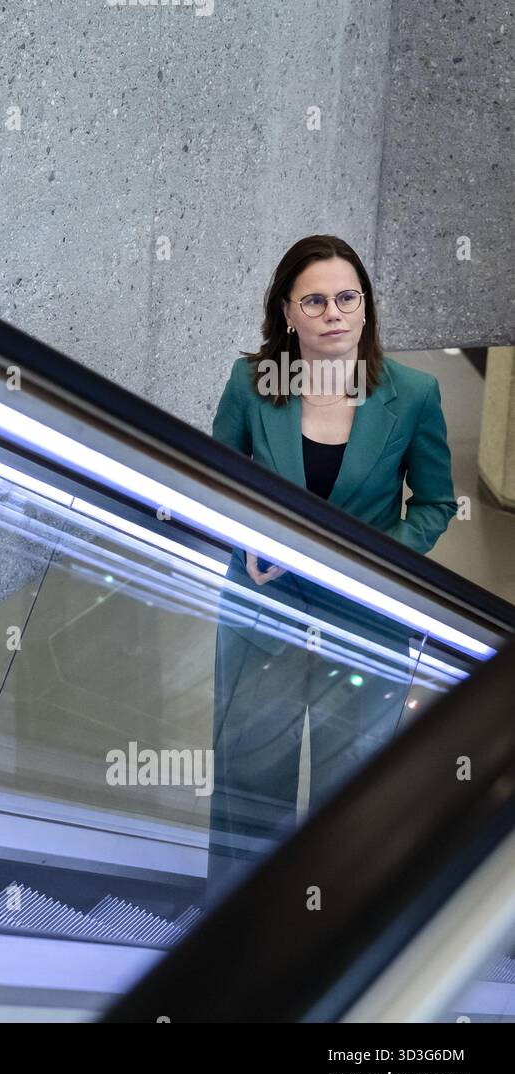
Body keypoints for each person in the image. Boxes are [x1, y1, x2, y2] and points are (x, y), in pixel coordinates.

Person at [206, 233, 458, 900]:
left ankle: (334, 929)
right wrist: (244, 544)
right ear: (286, 312)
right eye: (314, 300)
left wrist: (379, 559)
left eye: (348, 297)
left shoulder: (414, 393)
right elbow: (211, 485)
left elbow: (434, 503)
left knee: (354, 787)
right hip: (266, 613)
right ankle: (243, 926)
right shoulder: (252, 383)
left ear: (366, 307)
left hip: (365, 621)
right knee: (250, 781)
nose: (334, 313)